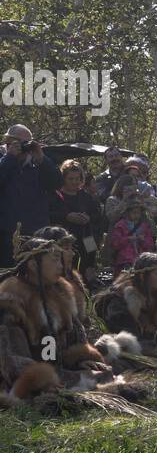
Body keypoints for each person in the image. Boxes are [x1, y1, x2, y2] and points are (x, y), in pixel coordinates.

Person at [0, 238, 117, 395]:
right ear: (33, 265)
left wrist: (81, 360)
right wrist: (43, 380)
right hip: (27, 379)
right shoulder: (12, 301)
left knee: (104, 374)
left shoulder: (60, 292)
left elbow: (75, 338)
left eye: (60, 260)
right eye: (54, 260)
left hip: (60, 370)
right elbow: (12, 358)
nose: (61, 266)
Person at [94, 252, 157, 358]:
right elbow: (127, 337)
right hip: (128, 354)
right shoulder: (120, 301)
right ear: (143, 276)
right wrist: (151, 350)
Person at [0, 125, 62, 267]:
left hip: (35, 234)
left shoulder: (37, 163)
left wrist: (42, 159)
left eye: (28, 143)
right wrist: (10, 158)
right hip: (5, 234)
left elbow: (56, 183)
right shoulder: (3, 159)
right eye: (20, 142)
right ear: (8, 142)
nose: (25, 147)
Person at [49, 159, 102, 286]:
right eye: (70, 179)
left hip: (86, 237)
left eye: (77, 179)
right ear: (63, 178)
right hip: (64, 241)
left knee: (86, 268)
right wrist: (67, 216)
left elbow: (97, 215)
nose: (74, 182)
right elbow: (49, 214)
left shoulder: (86, 196)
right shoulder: (55, 196)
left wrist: (88, 218)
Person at [32, 226, 89, 322]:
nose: (72, 253)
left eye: (72, 248)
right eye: (66, 248)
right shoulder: (35, 291)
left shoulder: (73, 280)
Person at [108, 199, 155, 274]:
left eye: (138, 213)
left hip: (141, 260)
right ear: (127, 213)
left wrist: (143, 240)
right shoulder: (120, 226)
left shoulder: (145, 227)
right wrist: (127, 239)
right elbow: (115, 243)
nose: (136, 215)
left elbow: (150, 245)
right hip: (125, 260)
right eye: (133, 212)